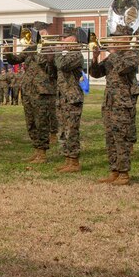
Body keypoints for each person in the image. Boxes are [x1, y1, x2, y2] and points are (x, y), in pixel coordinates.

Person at [89, 30, 139, 184]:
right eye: (113, 37)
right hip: (110, 103)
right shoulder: (112, 57)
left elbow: (121, 68)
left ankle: (124, 173)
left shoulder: (132, 55)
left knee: (121, 138)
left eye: (118, 37)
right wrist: (95, 58)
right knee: (110, 138)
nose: (114, 40)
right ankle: (114, 170)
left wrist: (113, 51)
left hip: (123, 103)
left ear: (127, 39)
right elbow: (96, 73)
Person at [53, 32, 85, 173]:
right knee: (63, 130)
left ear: (74, 40)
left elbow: (62, 65)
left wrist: (58, 50)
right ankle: (67, 159)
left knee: (71, 130)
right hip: (62, 97)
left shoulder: (77, 55)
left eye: (65, 38)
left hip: (72, 98)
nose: (63, 40)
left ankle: (74, 161)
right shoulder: (65, 54)